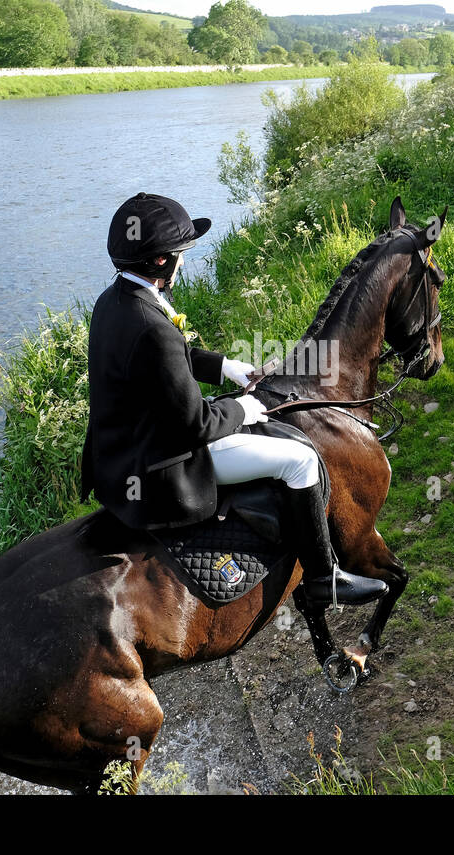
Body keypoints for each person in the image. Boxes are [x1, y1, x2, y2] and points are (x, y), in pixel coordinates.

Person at [82, 192, 387, 607]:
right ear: (159, 262)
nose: (184, 260)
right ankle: (323, 577)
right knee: (300, 460)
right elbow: (197, 425)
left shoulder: (113, 302)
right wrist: (243, 406)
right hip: (161, 471)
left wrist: (226, 366)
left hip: (117, 460)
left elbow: (164, 363)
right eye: (180, 253)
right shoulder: (152, 326)